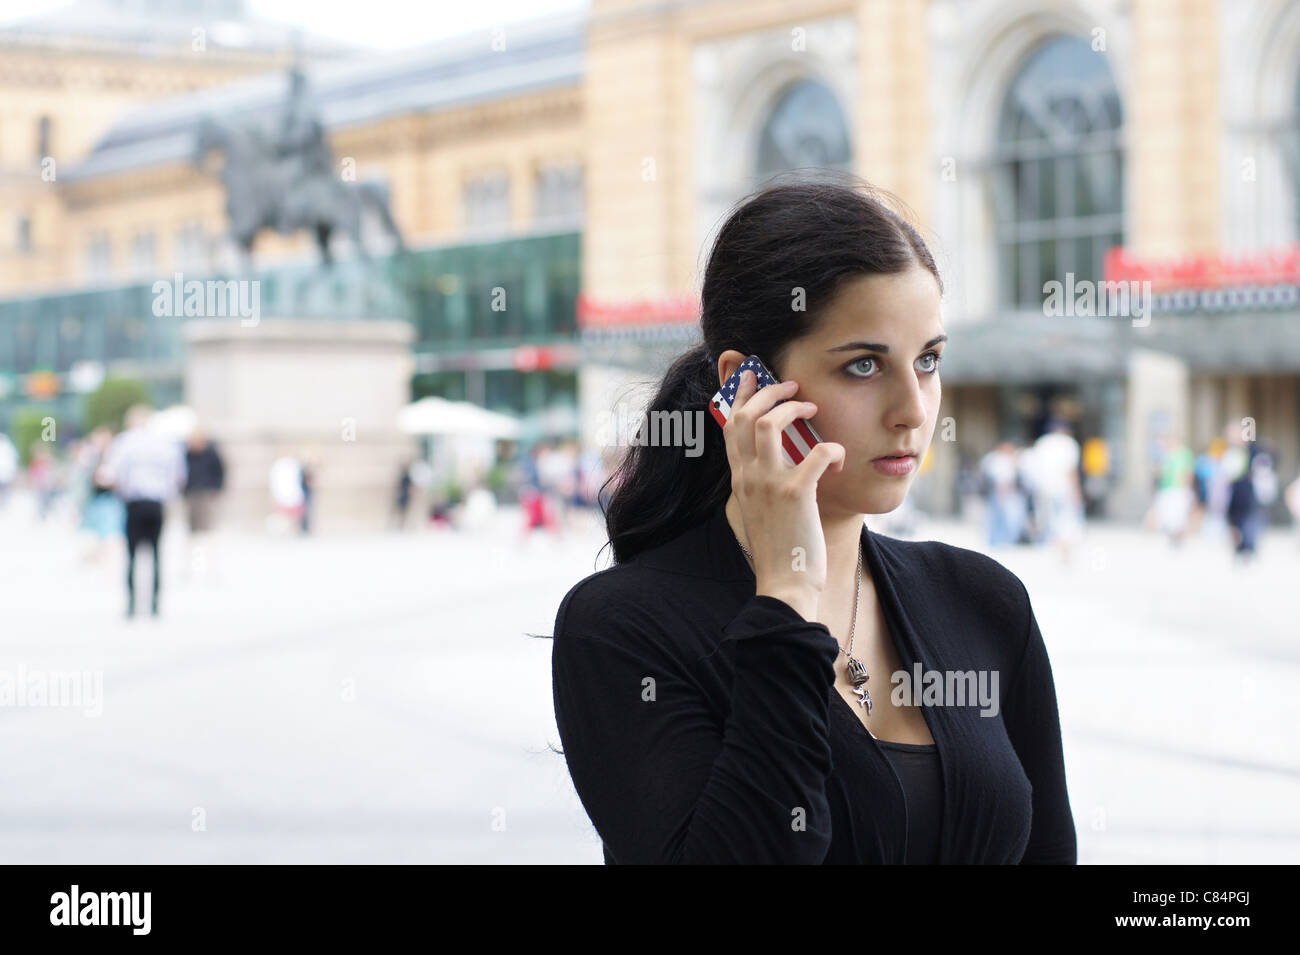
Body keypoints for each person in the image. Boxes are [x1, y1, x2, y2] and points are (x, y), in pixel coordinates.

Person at [550, 176, 1076, 864]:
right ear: (747, 387)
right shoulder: (623, 629)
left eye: (928, 360)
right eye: (863, 365)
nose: (913, 409)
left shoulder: (983, 599)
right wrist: (787, 601)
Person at [97, 404, 187, 618]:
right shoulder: (165, 443)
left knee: (131, 555)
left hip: (134, 502)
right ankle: (155, 604)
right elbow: (178, 475)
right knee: (156, 555)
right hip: (157, 502)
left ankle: (131, 604)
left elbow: (111, 473)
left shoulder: (126, 442)